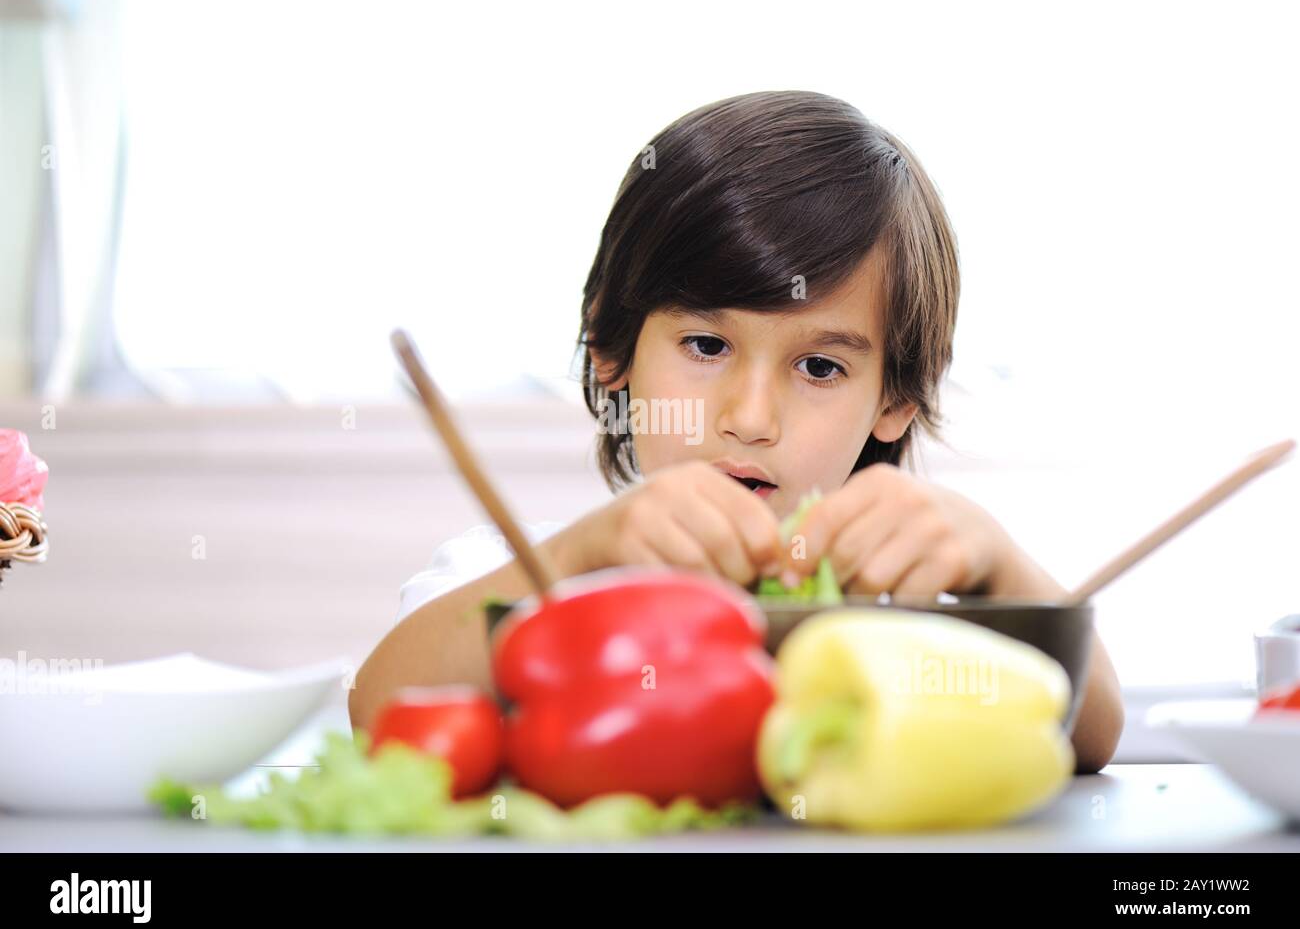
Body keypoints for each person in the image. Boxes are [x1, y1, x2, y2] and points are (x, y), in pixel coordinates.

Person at [351, 91, 1123, 772]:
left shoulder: (903, 607)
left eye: (820, 367)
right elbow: (380, 710)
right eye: (707, 346)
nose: (750, 418)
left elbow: (1090, 731)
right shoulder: (528, 572)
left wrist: (995, 560)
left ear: (897, 395)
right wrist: (578, 554)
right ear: (612, 349)